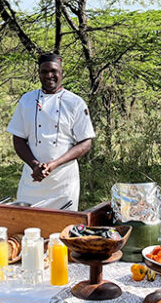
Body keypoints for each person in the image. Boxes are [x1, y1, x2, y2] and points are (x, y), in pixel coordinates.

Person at [7, 53, 95, 211]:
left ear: (61, 73)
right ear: (39, 74)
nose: (49, 75)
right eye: (44, 72)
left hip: (63, 181)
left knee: (62, 229)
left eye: (53, 71)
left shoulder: (75, 102)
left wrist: (54, 164)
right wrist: (34, 165)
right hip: (32, 179)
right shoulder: (26, 101)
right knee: (26, 226)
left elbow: (86, 143)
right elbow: (18, 139)